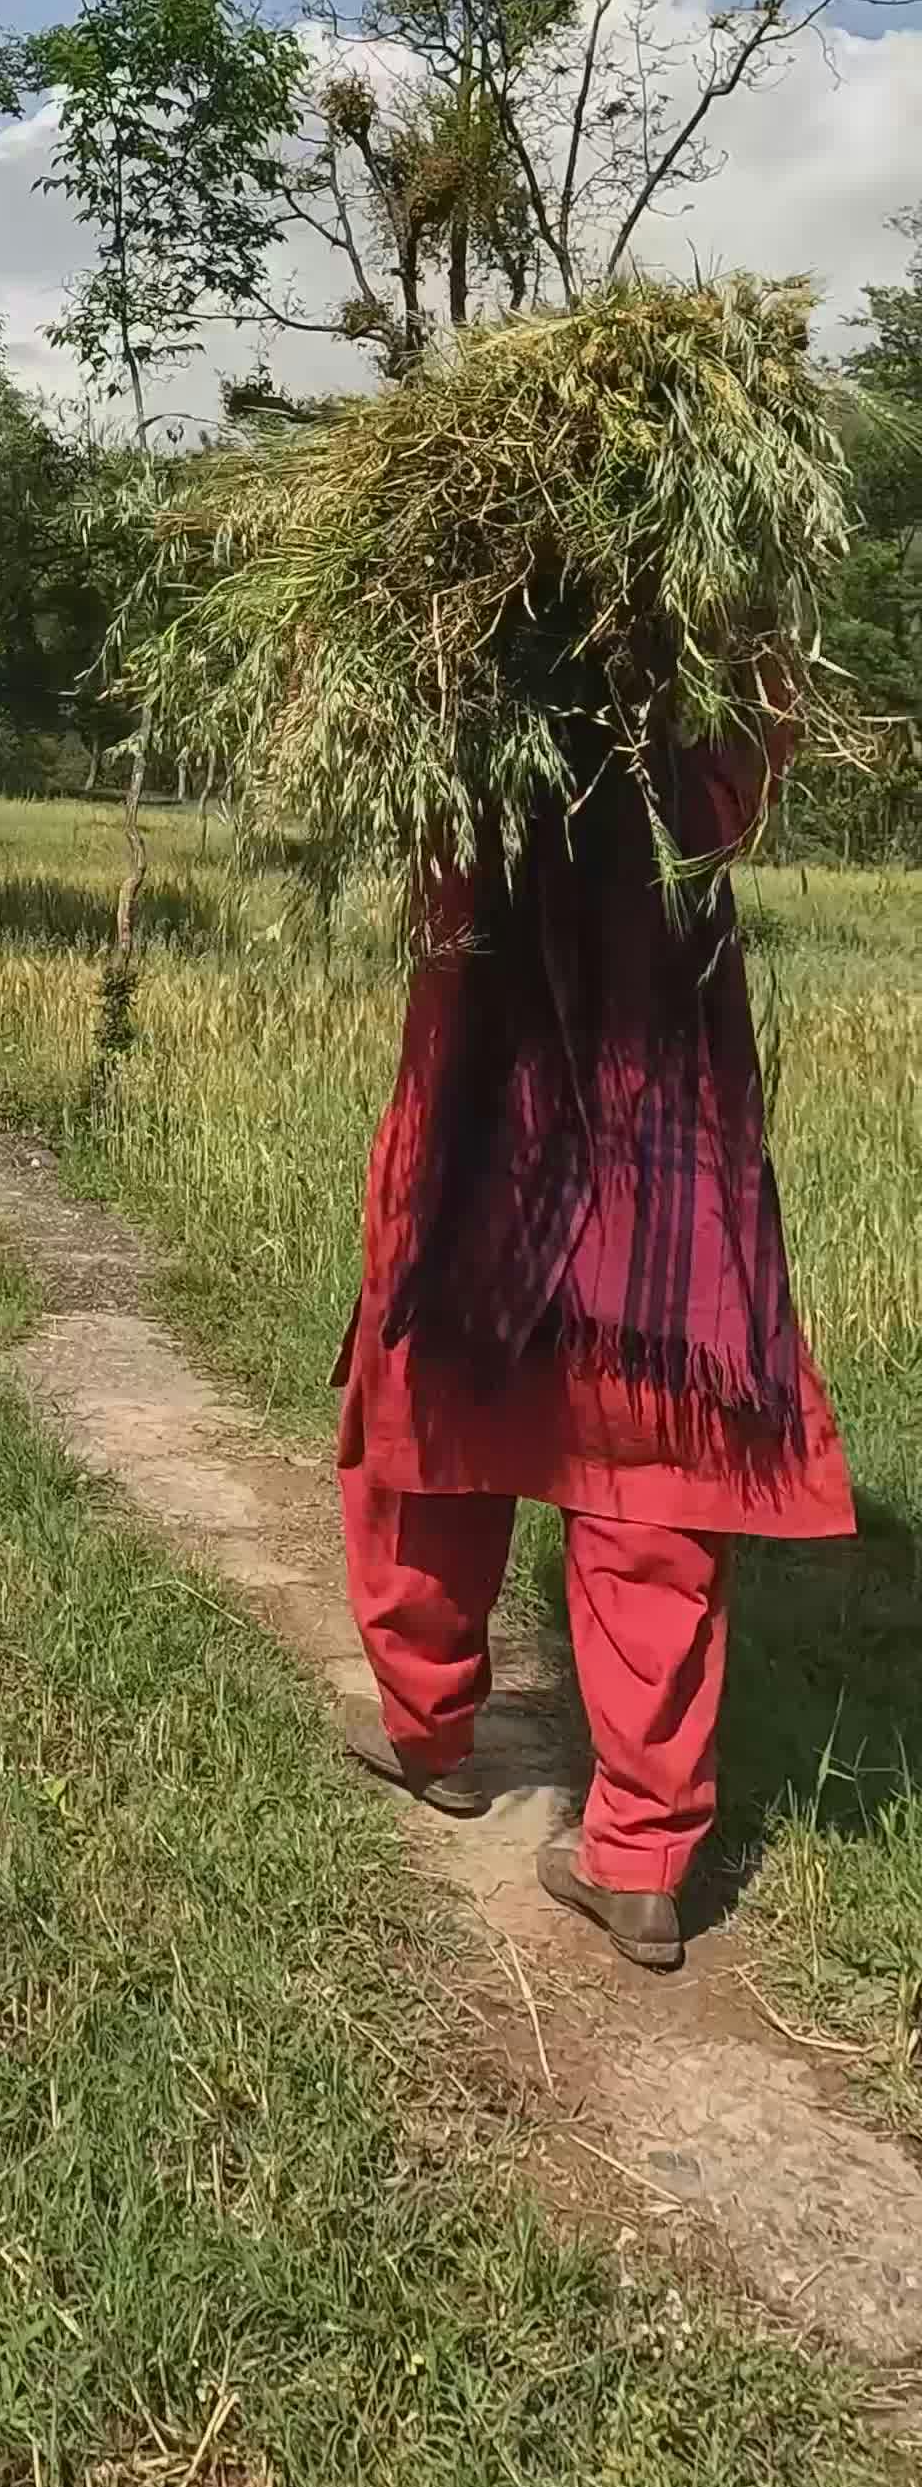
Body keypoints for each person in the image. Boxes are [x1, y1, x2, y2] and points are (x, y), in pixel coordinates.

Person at [334, 703, 853, 1970]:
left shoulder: (458, 724)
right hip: (659, 1185)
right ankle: (642, 1861)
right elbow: (761, 748)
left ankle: (426, 1731)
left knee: (434, 1426)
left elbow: (381, 776)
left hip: (481, 1158)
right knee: (653, 1484)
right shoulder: (705, 745)